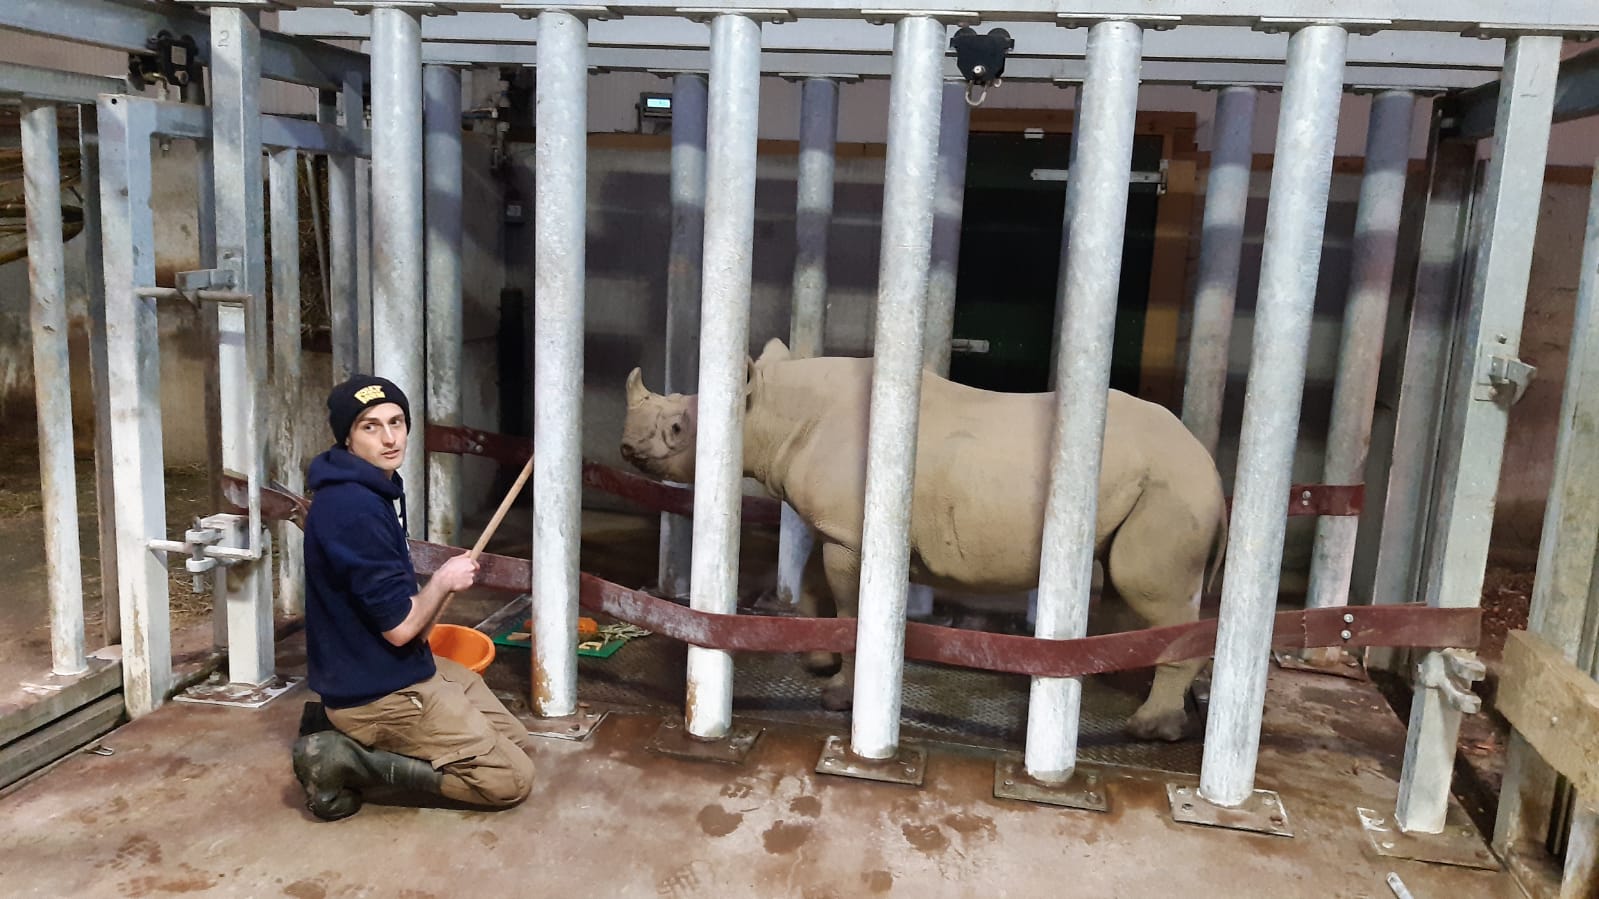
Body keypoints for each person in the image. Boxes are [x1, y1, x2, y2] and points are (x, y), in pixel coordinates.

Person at [290, 374, 535, 821]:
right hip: (378, 690)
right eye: (370, 426)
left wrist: (443, 587)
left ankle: (345, 731)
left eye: (396, 422)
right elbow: (402, 629)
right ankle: (346, 756)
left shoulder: (371, 489)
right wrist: (441, 580)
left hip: (394, 667)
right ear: (347, 437)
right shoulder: (352, 511)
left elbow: (408, 626)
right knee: (509, 780)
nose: (389, 438)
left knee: (515, 743)